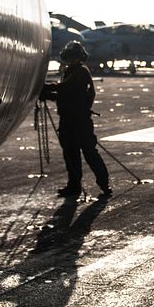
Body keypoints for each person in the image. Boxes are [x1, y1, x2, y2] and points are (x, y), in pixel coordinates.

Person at [40, 40, 112, 199]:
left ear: (80, 57)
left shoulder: (81, 71)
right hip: (67, 121)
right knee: (70, 155)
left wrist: (44, 87)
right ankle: (74, 187)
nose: (72, 59)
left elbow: (66, 87)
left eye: (74, 57)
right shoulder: (70, 71)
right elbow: (66, 94)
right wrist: (48, 95)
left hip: (80, 121)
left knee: (89, 154)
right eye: (70, 57)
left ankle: (104, 184)